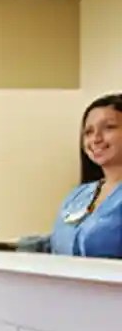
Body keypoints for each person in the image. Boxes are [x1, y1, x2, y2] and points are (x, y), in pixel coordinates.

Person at [38, 94, 122, 258]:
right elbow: (59, 244)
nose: (96, 138)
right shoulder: (77, 196)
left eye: (109, 127)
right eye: (88, 132)